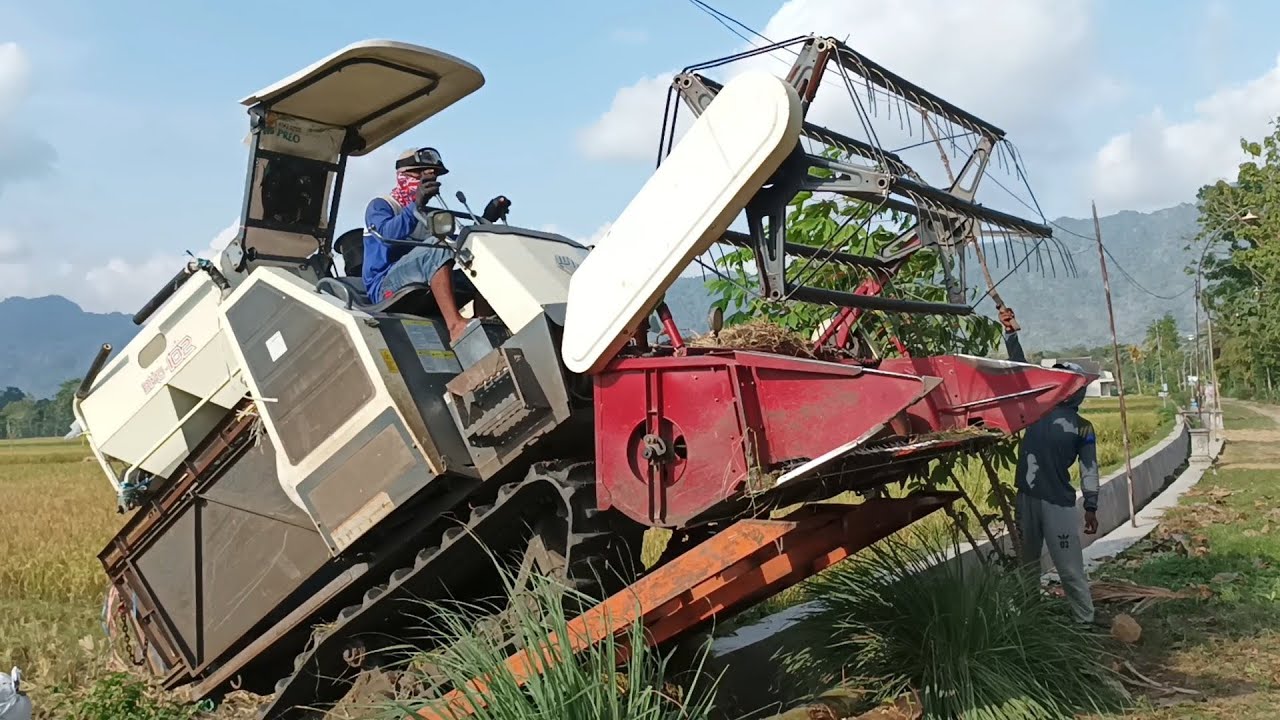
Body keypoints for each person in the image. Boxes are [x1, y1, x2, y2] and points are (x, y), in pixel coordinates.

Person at [1000, 306, 1100, 625]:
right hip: (1027, 497)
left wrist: (1091, 507)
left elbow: (1089, 470)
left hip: (1056, 502)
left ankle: (1084, 621)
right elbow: (1020, 369)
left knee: (1068, 567)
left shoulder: (1082, 427)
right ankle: (1031, 621)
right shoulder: (1036, 407)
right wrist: (1011, 333)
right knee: (1028, 566)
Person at [362, 147, 474, 343]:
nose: (426, 178)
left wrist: (486, 221)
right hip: (384, 283)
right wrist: (415, 205)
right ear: (402, 175)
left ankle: (481, 323)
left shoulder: (427, 214)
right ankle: (455, 326)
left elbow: (456, 244)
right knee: (437, 245)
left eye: (432, 174)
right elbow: (386, 235)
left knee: (475, 266)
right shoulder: (382, 205)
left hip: (419, 274)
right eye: (420, 173)